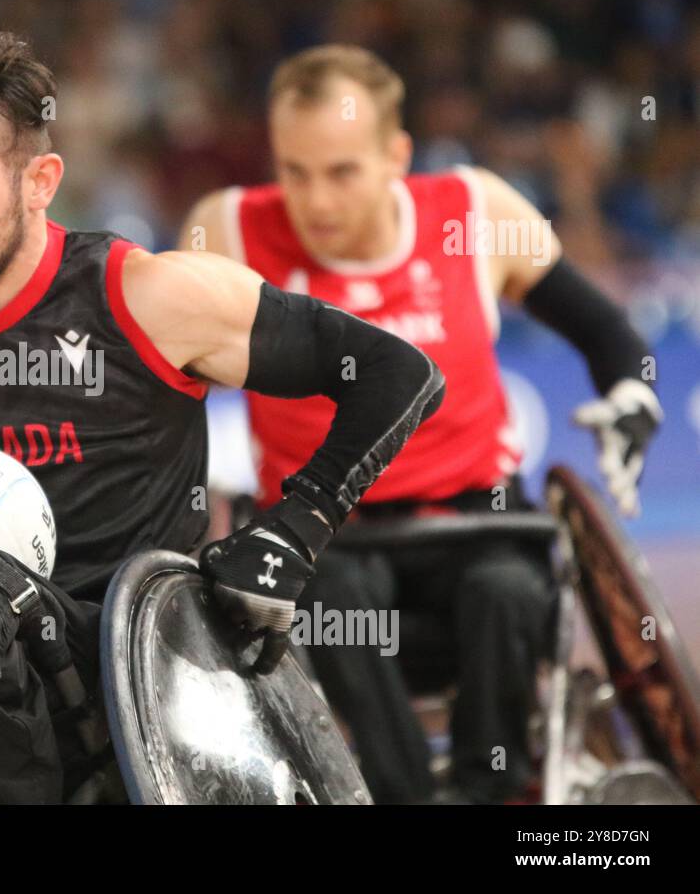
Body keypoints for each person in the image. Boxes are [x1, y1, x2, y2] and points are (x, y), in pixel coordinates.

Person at [0, 31, 445, 804]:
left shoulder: (147, 296)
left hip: (114, 660)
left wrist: (293, 531)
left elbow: (398, 371)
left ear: (39, 180)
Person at [178, 44, 662, 803]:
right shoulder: (230, 230)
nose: (317, 200)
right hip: (329, 534)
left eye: (342, 171)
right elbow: (167, 372)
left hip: (478, 523)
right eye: (294, 171)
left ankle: (485, 793)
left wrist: (634, 396)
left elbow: (606, 332)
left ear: (397, 154)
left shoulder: (476, 211)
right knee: (336, 592)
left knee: (503, 590)